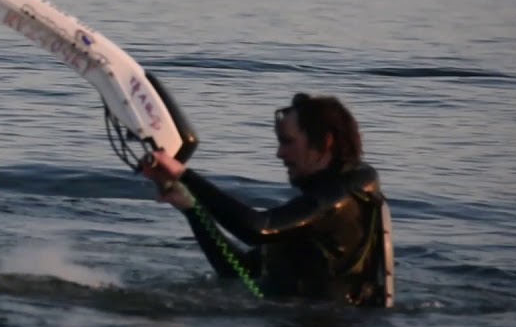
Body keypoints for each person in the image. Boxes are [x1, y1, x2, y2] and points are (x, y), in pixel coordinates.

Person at [139, 92, 392, 307]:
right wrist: (191, 208)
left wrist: (184, 175)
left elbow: (259, 229)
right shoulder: (318, 202)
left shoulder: (347, 195)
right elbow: (238, 270)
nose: (279, 153)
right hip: (296, 325)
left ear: (325, 143)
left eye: (288, 142)